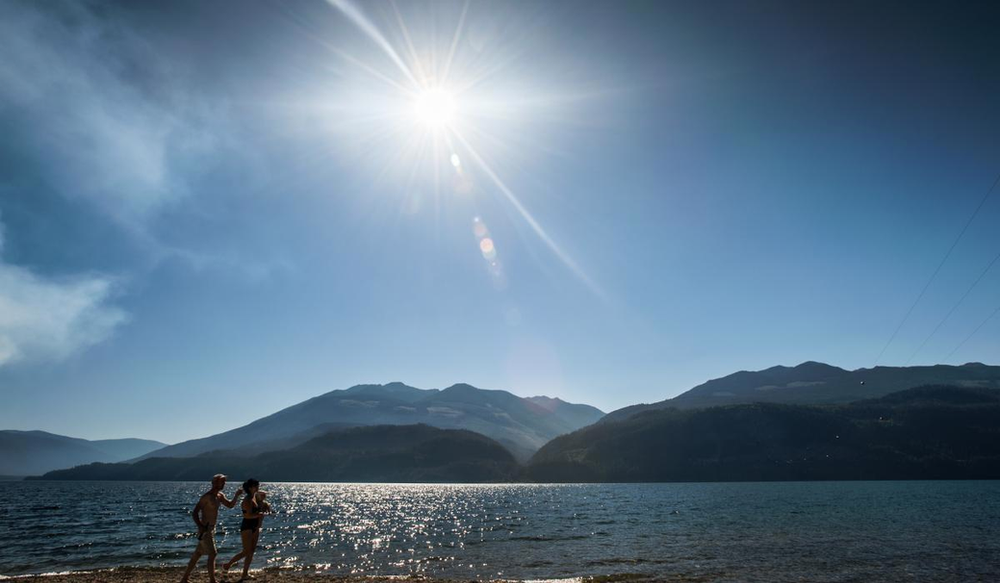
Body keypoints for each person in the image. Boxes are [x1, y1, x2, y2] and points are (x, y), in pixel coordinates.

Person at [180, 474, 243, 583]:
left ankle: (184, 579)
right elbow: (195, 512)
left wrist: (236, 495)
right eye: (221, 482)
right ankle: (212, 580)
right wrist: (200, 526)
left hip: (211, 529)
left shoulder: (219, 496)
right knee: (213, 554)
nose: (224, 484)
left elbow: (230, 505)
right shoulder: (206, 497)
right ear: (214, 483)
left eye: (224, 482)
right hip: (205, 529)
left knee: (197, 554)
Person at [223, 478, 267, 581]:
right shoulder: (247, 500)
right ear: (251, 487)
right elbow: (247, 516)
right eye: (256, 486)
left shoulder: (254, 497)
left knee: (251, 551)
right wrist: (259, 515)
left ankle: (245, 574)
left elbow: (262, 494)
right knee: (246, 551)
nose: (258, 488)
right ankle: (227, 565)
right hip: (247, 526)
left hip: (255, 526)